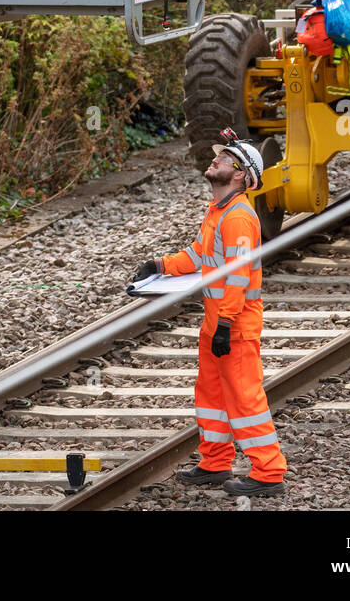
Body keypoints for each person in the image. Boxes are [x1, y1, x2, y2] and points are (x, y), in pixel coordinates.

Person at [132, 129, 287, 498]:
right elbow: (200, 256)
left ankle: (269, 471)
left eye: (225, 157)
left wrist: (226, 324)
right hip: (216, 322)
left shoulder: (238, 218)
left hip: (233, 324)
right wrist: (160, 264)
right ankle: (215, 462)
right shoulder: (218, 211)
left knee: (245, 398)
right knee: (212, 395)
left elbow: (236, 276)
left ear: (240, 175)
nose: (214, 159)